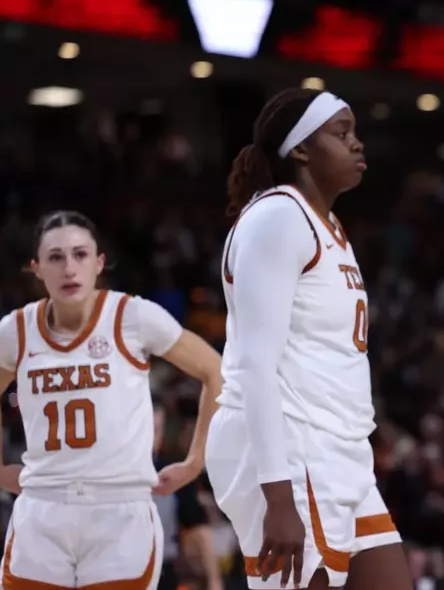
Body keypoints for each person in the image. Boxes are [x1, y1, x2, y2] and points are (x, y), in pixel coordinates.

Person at [204, 88, 412, 590]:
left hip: (337, 449)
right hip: (289, 449)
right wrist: (278, 496)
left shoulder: (328, 224)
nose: (357, 145)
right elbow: (255, 364)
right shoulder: (278, 216)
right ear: (300, 149)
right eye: (341, 135)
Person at [0, 210, 223, 590]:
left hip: (119, 509)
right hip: (42, 509)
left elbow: (214, 370)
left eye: (80, 254)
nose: (69, 268)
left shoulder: (132, 316)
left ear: (99, 262)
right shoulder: (16, 330)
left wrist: (196, 461)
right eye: (55, 257)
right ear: (36, 268)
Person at [152, 399, 224, 590]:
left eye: (157, 430)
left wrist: (214, 581)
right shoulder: (110, 473)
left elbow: (200, 529)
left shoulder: (172, 473)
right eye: (149, 429)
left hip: (163, 571)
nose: (153, 437)